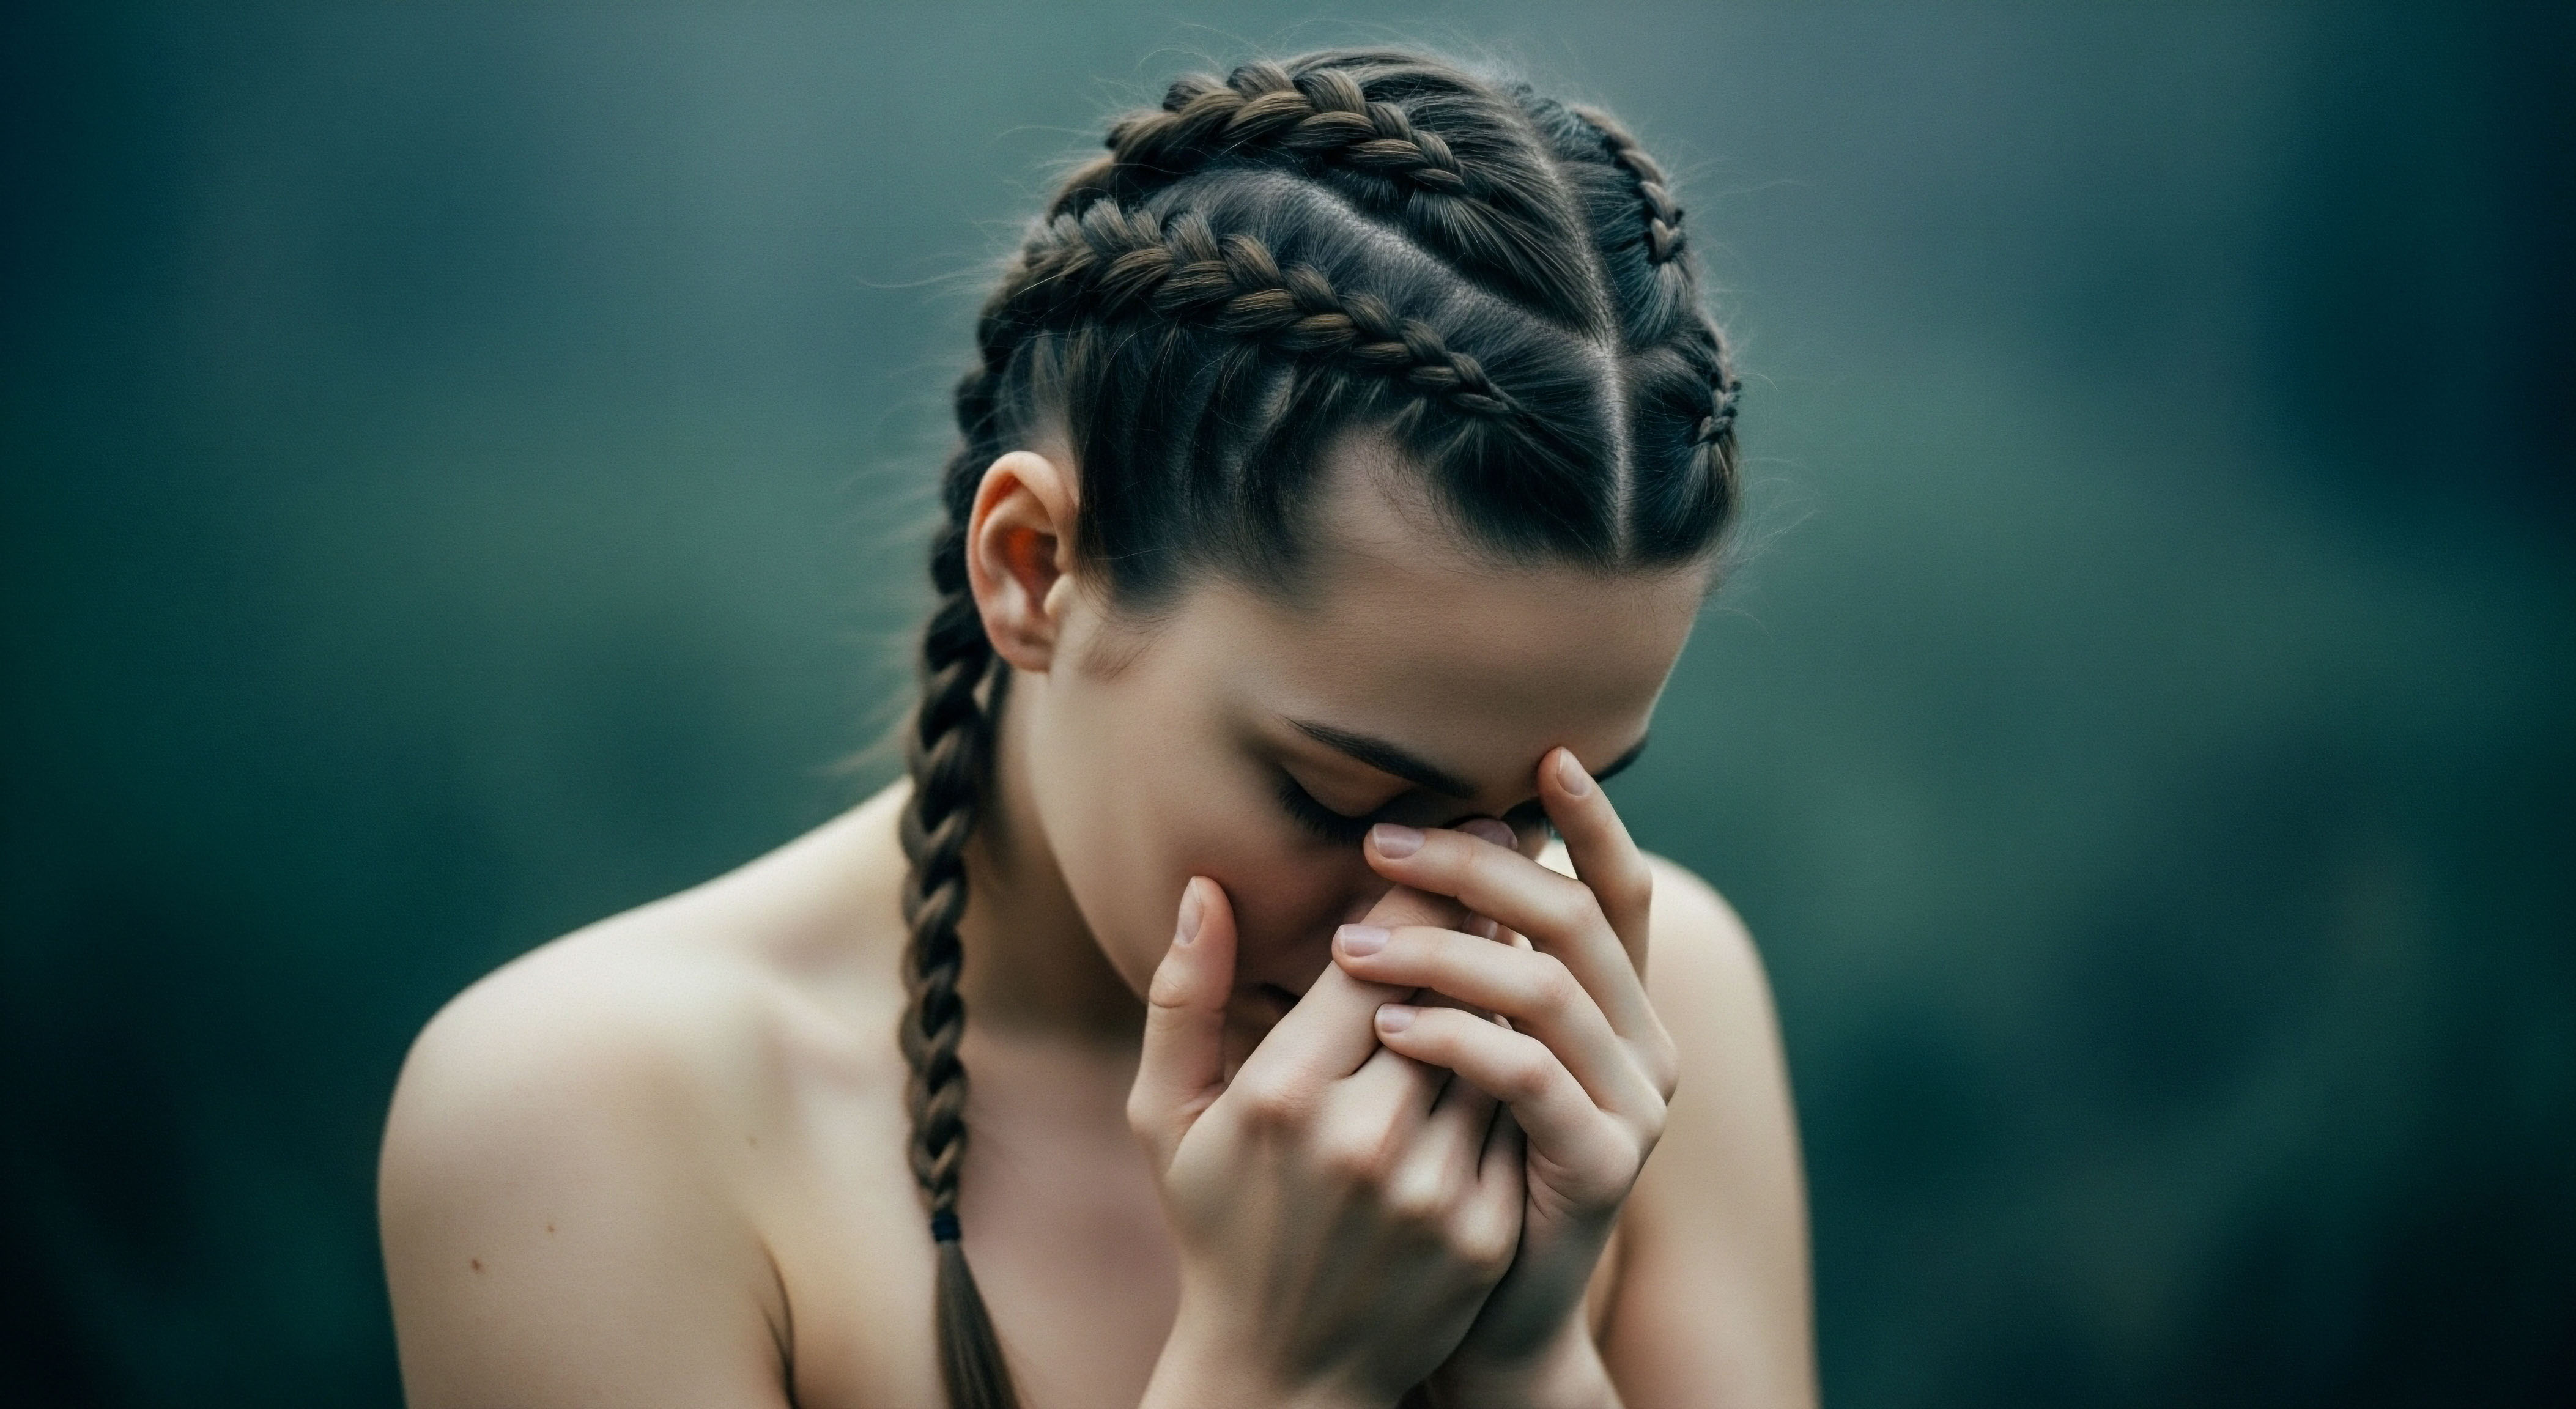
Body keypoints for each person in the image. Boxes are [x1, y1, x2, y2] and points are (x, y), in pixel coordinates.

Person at [377, 48, 1812, 1409]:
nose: (1445, 927)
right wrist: (1275, 1372)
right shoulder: (594, 1124)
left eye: (1549, 818)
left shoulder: (1639, 1018)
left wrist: (1522, 1363)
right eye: (1332, 795)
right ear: (1035, 570)